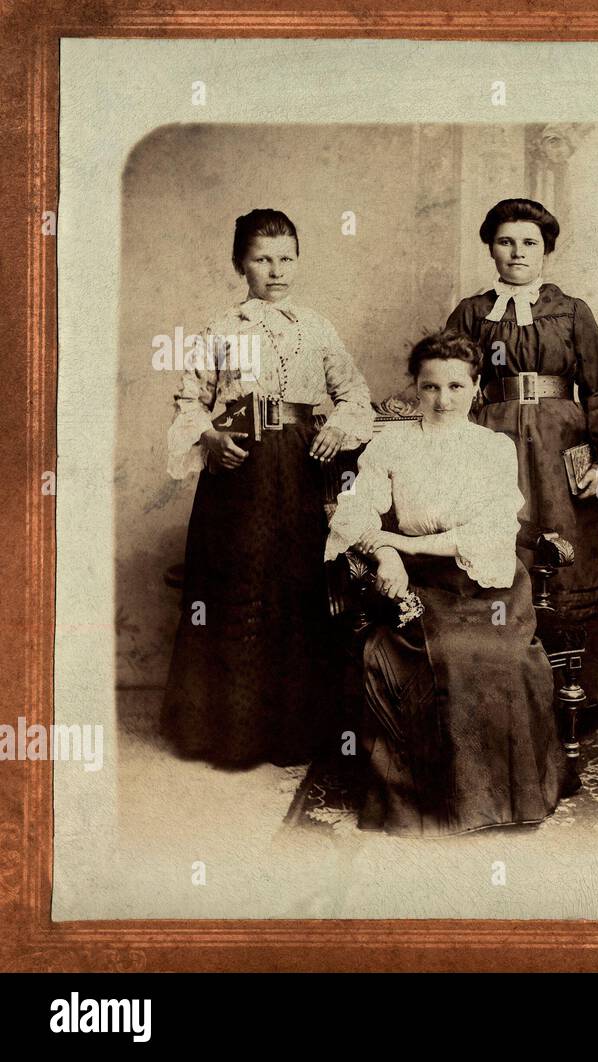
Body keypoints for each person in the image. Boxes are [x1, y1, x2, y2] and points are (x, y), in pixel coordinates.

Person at [325, 329, 564, 835]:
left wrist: (404, 544)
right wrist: (386, 553)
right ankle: (440, 801)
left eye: (457, 387)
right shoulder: (389, 445)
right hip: (416, 586)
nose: (443, 399)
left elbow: (493, 531)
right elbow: (353, 513)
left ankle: (504, 798)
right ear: (416, 387)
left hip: (488, 582)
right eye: (431, 387)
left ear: (476, 389)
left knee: (500, 655)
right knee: (446, 653)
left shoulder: (492, 448)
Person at [161, 208, 373, 767]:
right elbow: (189, 400)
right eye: (262, 259)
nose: (275, 270)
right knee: (237, 582)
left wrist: (335, 425)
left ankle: (294, 735)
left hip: (299, 466)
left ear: (297, 262)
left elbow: (355, 395)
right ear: (240, 264)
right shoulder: (220, 328)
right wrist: (208, 438)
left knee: (296, 582)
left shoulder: (316, 327)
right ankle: (227, 733)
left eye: (286, 258)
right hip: (238, 469)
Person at [445, 198, 598, 707]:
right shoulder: (472, 312)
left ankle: (580, 693)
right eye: (506, 241)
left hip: (559, 444)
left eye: (529, 242)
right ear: (491, 248)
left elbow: (597, 389)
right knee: (501, 542)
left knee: (566, 553)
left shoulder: (571, 311)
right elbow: (448, 379)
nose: (518, 252)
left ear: (546, 248)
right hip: (493, 440)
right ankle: (500, 688)